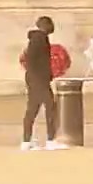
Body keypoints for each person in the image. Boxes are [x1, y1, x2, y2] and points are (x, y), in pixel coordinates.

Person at [21, 16, 67, 151]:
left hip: (35, 78)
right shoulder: (40, 39)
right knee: (50, 107)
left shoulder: (37, 39)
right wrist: (44, 76)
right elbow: (35, 61)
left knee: (33, 109)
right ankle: (50, 140)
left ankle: (26, 141)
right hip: (38, 79)